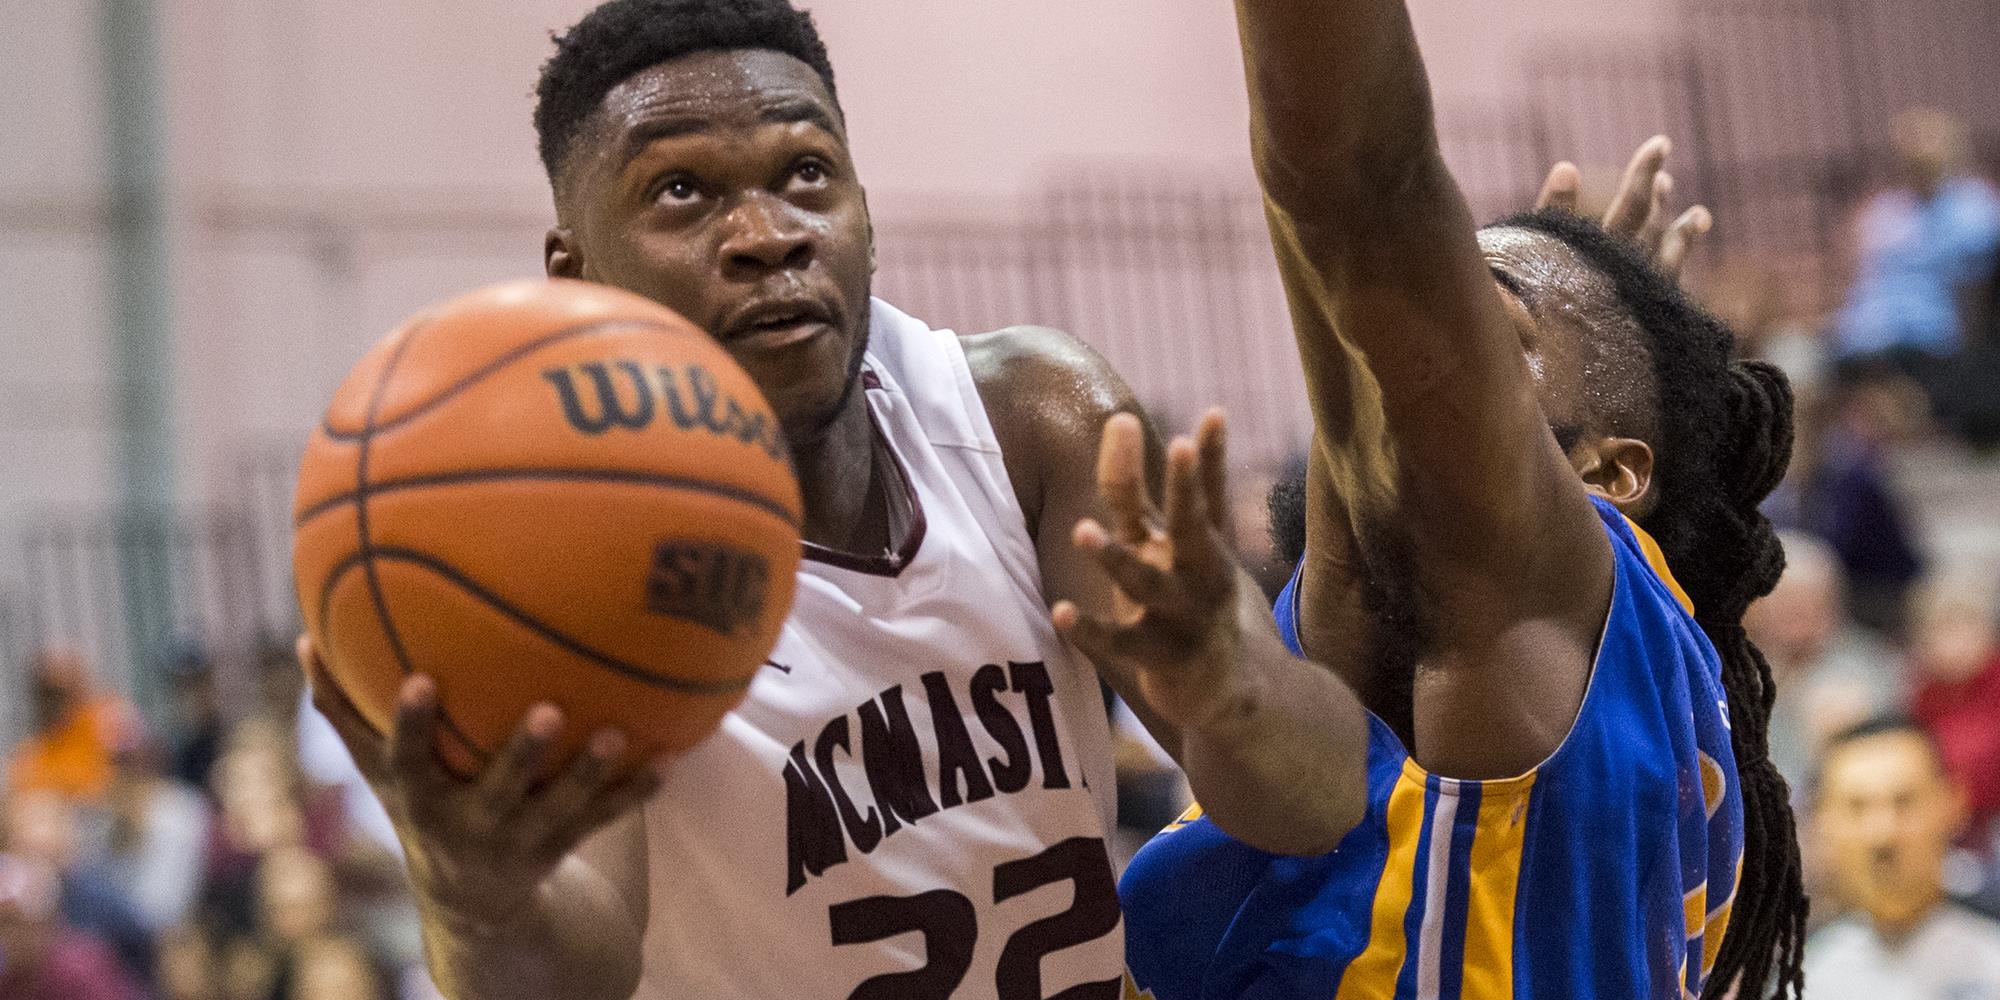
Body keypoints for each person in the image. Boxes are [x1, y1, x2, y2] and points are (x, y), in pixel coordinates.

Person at [297, 1, 1364, 997]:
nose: (767, 232)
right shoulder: (561, 566)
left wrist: (1225, 687)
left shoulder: (1026, 421)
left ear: (864, 210)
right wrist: (473, 896)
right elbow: (575, 971)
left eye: (806, 172)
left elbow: (1318, 803)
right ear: (575, 279)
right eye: (682, 192)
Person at [1119, 2, 1807, 998]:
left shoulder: (1567, 597)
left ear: (1606, 477)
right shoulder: (1366, 633)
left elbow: (1355, 188)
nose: (1409, 352)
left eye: (1481, 334)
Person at [1804, 717, 2000, 999]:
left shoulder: (1991, 951)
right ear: (1823, 820)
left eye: (1904, 801)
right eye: (1856, 807)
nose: (1882, 834)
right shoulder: (1802, 973)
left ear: (1953, 802)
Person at [1832, 109, 2000, 373]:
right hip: (1864, 339)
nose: (1918, 156)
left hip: (1934, 342)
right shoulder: (1884, 209)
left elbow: (1978, 287)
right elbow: (1855, 272)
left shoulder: (1976, 207)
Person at [1747, 531, 1903, 792]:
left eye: (1806, 600)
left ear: (1831, 603)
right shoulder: (1746, 664)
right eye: (1783, 600)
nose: (1794, 612)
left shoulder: (1867, 664)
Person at [1908, 571, 2000, 852]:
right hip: (1937, 836)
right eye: (1944, 628)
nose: (1956, 642)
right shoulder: (1918, 695)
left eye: (1968, 626)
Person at [0, 853, 145, 1000]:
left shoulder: (80, 970)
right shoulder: (10, 975)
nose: (7, 937)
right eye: (2, 926)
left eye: (15, 925)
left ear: (45, 925)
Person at [5, 649, 132, 805]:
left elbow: (133, 773)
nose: (57, 704)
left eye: (63, 694)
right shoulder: (32, 755)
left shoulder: (104, 719)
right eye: (49, 695)